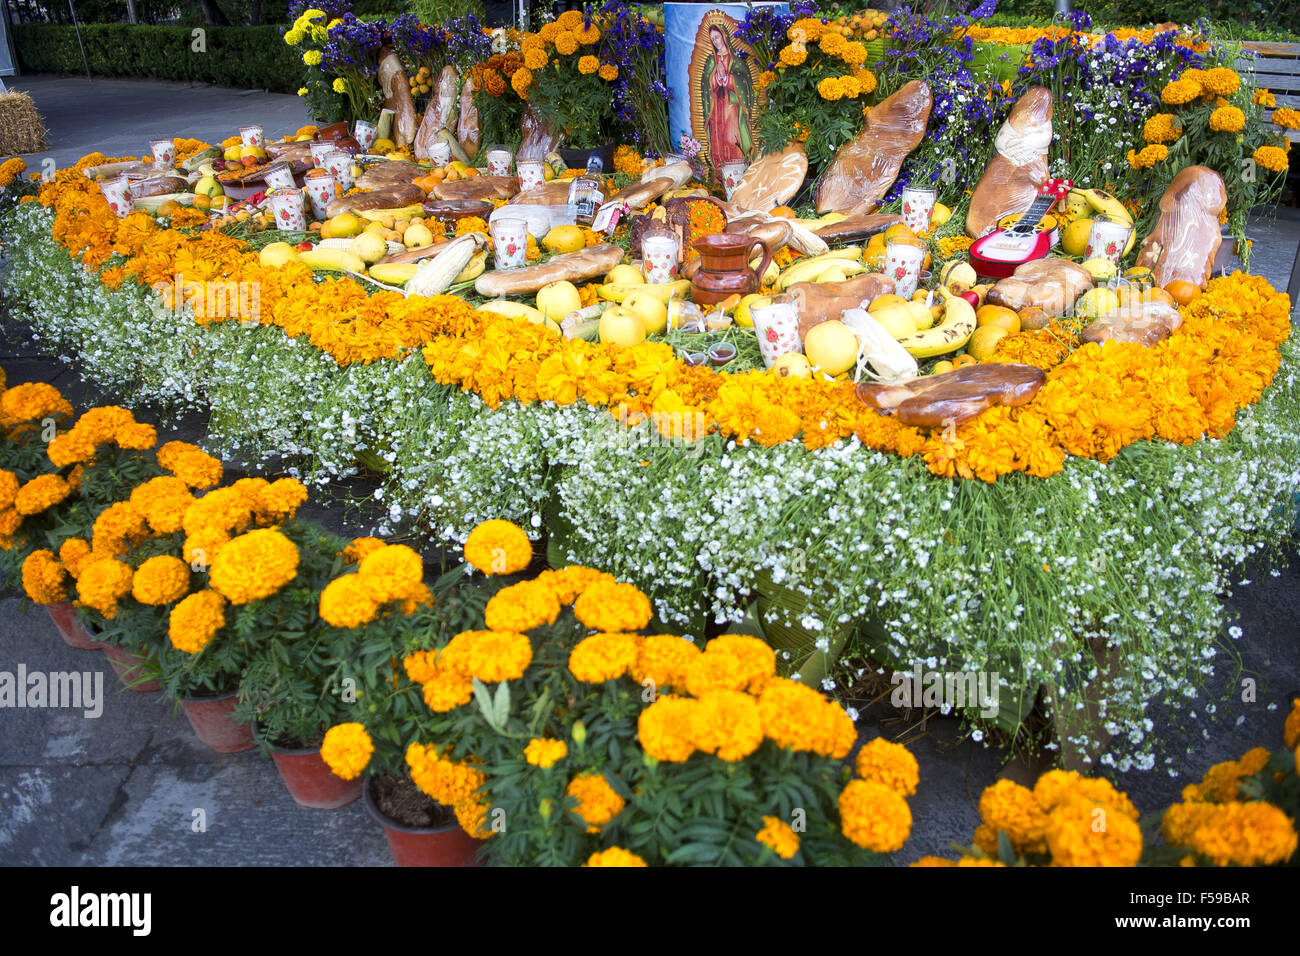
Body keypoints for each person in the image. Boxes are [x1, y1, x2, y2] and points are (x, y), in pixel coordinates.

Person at [699, 24, 753, 168]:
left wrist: (728, 78)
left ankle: (738, 173)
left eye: (717, 37)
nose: (716, 41)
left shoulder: (736, 59)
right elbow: (704, 85)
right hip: (716, 108)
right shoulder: (711, 61)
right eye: (712, 39)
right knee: (718, 141)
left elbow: (745, 81)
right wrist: (716, 78)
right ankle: (720, 178)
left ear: (724, 36)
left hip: (732, 107)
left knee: (732, 139)